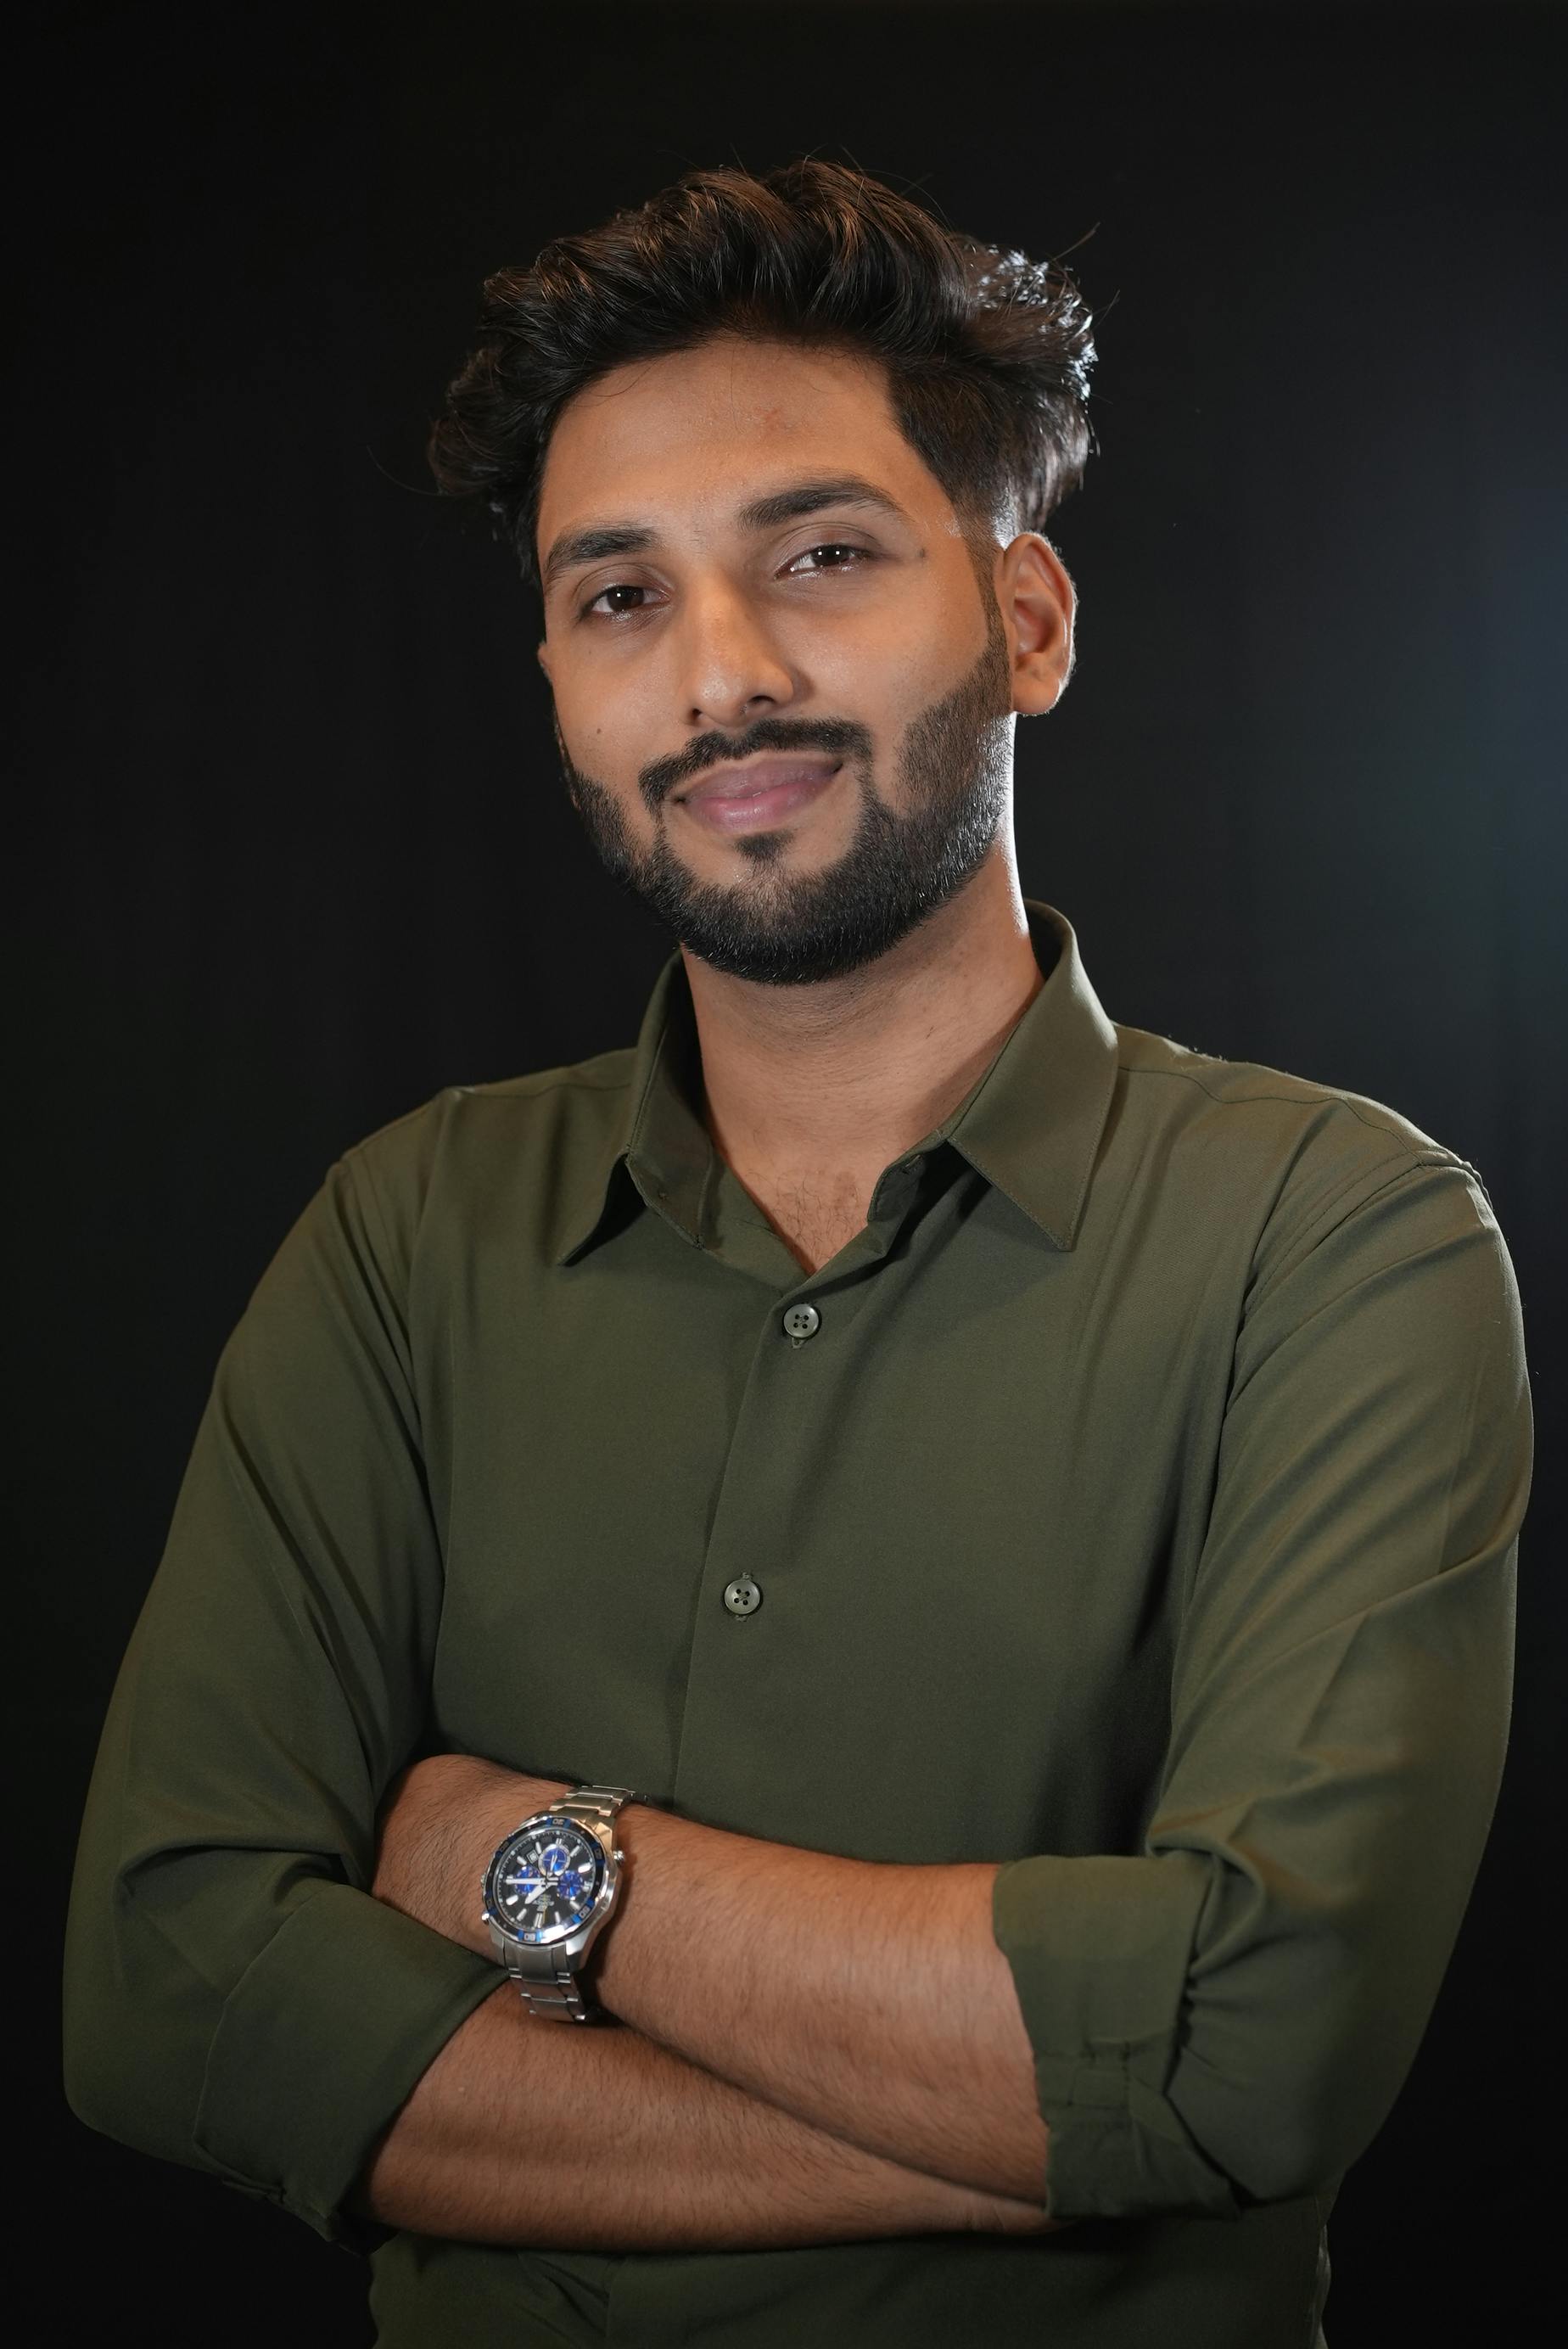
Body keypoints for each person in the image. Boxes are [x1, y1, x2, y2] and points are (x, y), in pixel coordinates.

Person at [63, 158, 1532, 2348]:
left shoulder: (1338, 1239)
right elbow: (170, 2000)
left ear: (1025, 617)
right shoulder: (400, 1242)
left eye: (821, 556)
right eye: (619, 599)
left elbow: (1251, 2046)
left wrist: (511, 1855)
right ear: (558, 681)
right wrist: (1060, 2151)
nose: (722, 680)